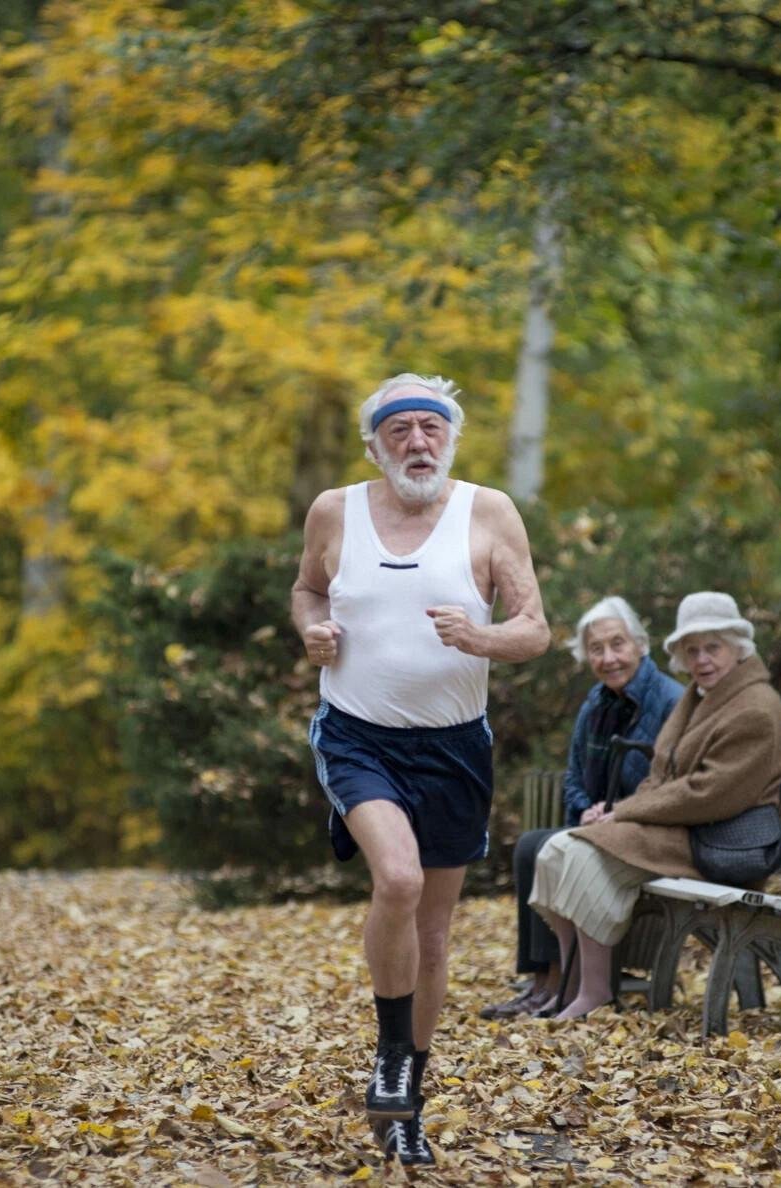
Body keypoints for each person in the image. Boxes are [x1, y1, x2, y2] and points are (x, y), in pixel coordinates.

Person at [291, 373, 550, 1166]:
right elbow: (306, 589)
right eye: (398, 429)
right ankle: (387, 1060)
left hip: (454, 748)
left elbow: (535, 629)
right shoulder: (336, 510)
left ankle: (407, 1096)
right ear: (374, 444)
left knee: (434, 938)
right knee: (397, 881)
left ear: (451, 439)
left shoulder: (489, 512)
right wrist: (313, 629)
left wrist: (482, 640)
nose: (416, 442)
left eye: (429, 429)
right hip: (358, 736)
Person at [528, 590, 781, 1020]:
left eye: (713, 647)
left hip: (721, 841)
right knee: (555, 852)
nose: (702, 659)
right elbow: (661, 772)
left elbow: (709, 792)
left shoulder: (755, 709)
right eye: (692, 650)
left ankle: (595, 992)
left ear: (737, 647)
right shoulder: (701, 696)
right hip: (685, 829)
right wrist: (613, 812)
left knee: (577, 854)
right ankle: (576, 986)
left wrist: (625, 812)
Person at [478, 596, 682, 1020]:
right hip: (601, 824)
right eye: (596, 649)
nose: (608, 658)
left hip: (645, 830)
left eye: (617, 644)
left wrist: (620, 809)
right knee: (531, 845)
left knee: (544, 847)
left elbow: (672, 784)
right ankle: (543, 980)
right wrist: (586, 807)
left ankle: (561, 980)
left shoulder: (668, 701)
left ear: (640, 646)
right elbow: (572, 776)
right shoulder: (596, 704)